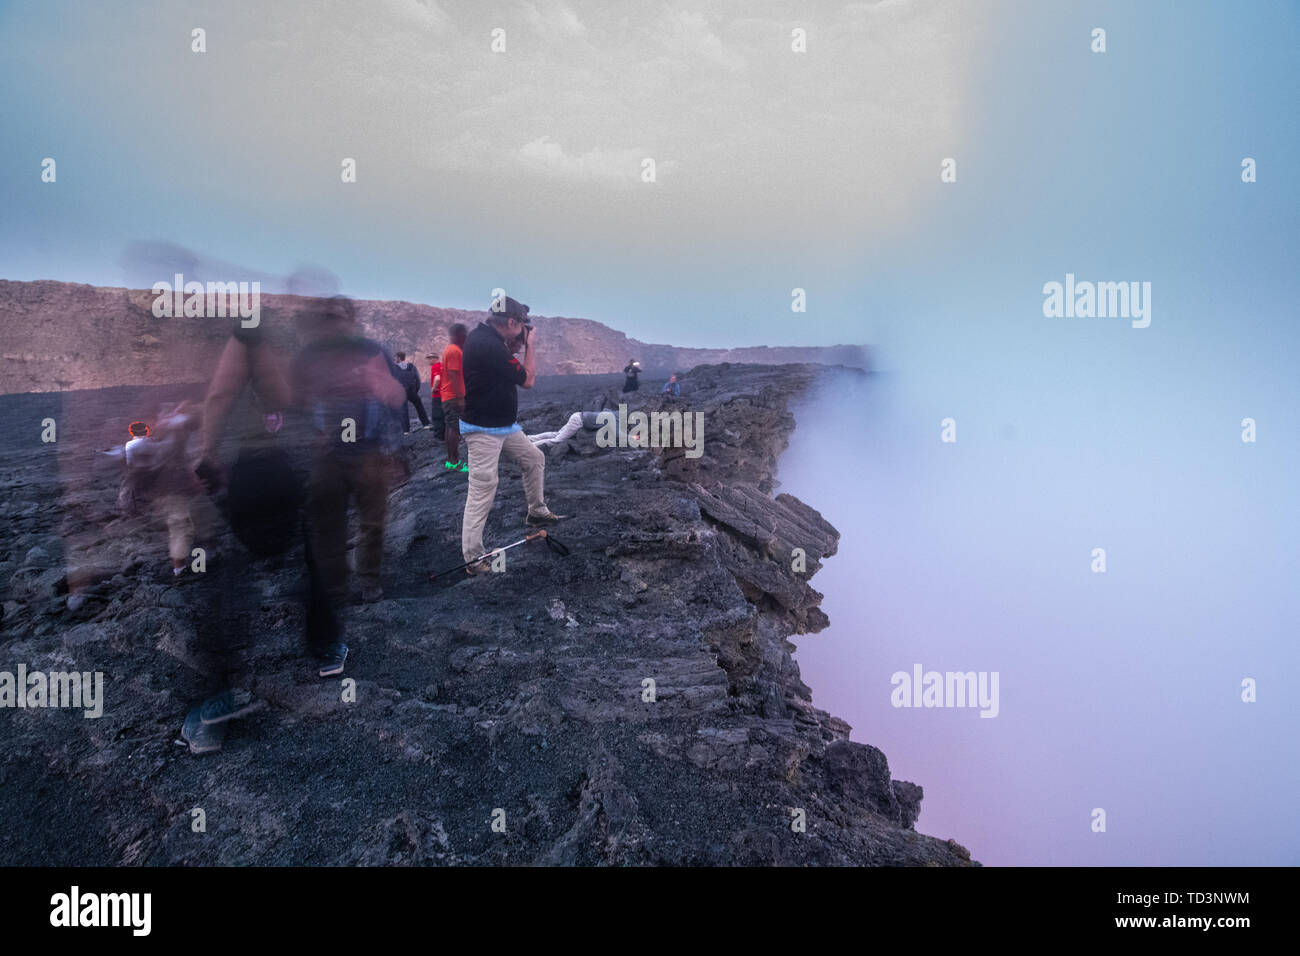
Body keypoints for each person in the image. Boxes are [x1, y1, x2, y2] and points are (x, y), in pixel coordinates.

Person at [291, 296, 406, 607]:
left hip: (367, 452)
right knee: (328, 523)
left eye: (338, 316)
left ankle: (369, 579)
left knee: (373, 522)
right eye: (326, 317)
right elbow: (292, 399)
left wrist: (377, 385)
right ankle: (336, 588)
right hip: (326, 453)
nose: (333, 323)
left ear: (349, 320)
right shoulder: (309, 356)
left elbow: (396, 397)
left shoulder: (370, 351)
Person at [459, 296, 566, 573]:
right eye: (521, 325)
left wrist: (518, 342)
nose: (524, 330)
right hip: (484, 430)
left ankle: (536, 512)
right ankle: (474, 559)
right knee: (483, 488)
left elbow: (505, 368)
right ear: (511, 322)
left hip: (503, 426)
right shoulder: (487, 344)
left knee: (533, 458)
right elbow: (528, 380)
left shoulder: (489, 339)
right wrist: (530, 345)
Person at [118, 402, 202, 577]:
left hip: (165, 488)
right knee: (180, 525)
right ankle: (181, 569)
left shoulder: (147, 441)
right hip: (173, 487)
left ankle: (184, 565)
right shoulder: (164, 435)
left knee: (181, 524)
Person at [440, 324, 468, 473]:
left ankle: (451, 459)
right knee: (455, 428)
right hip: (452, 396)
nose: (466, 337)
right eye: (464, 334)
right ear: (459, 335)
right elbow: (453, 375)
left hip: (449, 396)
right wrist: (460, 398)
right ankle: (453, 461)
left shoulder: (452, 350)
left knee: (451, 427)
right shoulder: (454, 351)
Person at [393, 351, 430, 433]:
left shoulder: (394, 368)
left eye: (395, 357)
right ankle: (426, 424)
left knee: (404, 410)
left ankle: (406, 430)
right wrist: (415, 390)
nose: (394, 359)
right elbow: (418, 380)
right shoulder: (412, 367)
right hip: (412, 391)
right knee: (419, 406)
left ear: (399, 358)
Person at [427, 352, 445, 440]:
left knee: (437, 415)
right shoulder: (442, 366)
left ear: (435, 358)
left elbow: (437, 378)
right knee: (443, 414)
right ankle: (445, 434)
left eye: (430, 358)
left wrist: (434, 388)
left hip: (437, 395)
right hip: (445, 394)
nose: (429, 360)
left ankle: (439, 436)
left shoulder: (435, 367)